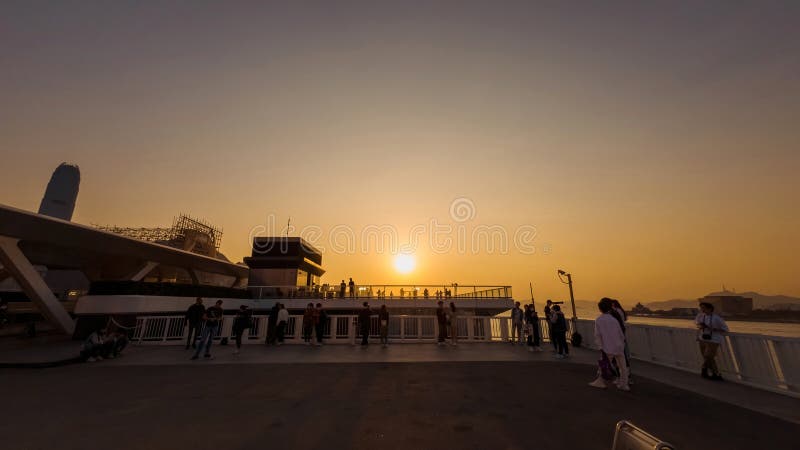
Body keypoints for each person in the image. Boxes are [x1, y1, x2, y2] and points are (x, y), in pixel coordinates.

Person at [589, 300, 630, 391]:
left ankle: (600, 382)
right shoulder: (614, 319)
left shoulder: (599, 320)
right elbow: (620, 333)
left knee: (604, 365)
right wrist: (622, 343)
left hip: (607, 347)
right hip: (619, 346)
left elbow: (597, 335)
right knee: (622, 367)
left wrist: (600, 346)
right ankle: (624, 385)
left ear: (600, 309)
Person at [696, 302, 729, 381]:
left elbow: (725, 329)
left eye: (704, 308)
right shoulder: (700, 316)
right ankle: (716, 374)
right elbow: (697, 324)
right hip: (703, 338)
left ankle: (704, 369)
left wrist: (713, 329)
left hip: (714, 339)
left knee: (708, 356)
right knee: (708, 358)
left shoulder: (716, 318)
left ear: (710, 309)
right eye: (701, 308)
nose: (702, 310)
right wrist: (701, 326)